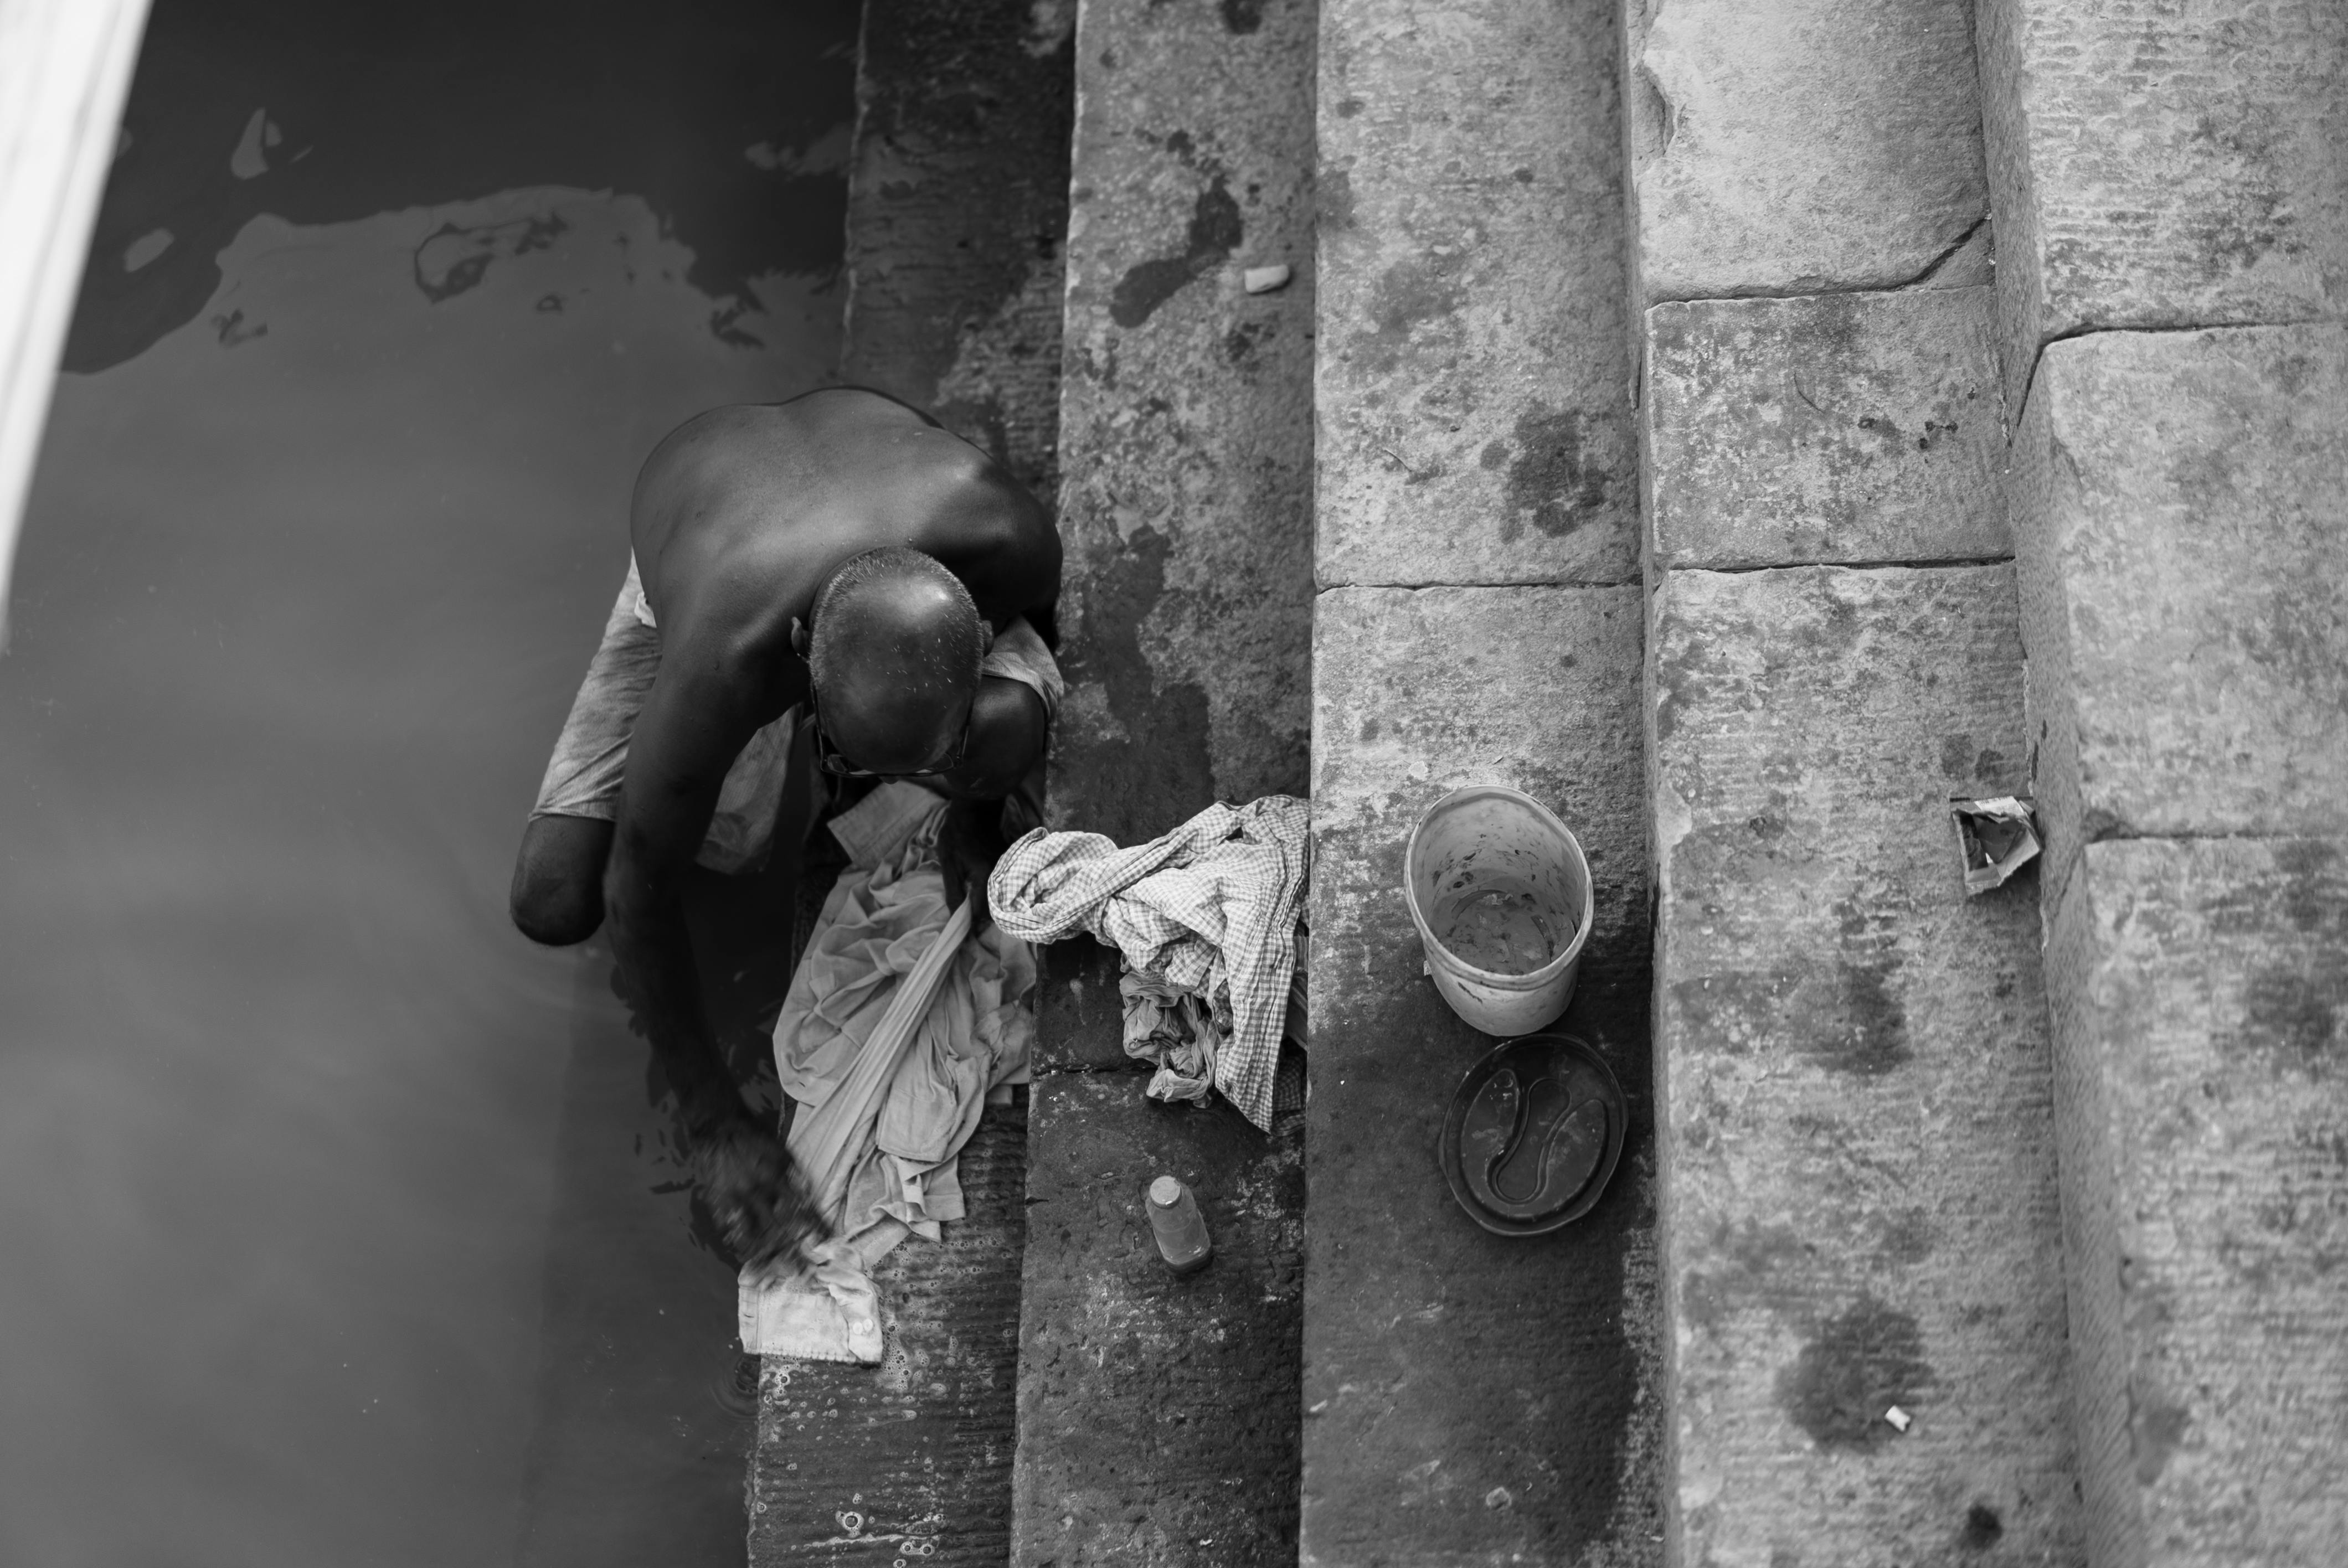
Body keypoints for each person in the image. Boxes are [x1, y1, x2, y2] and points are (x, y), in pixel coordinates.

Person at [508, 387, 1063, 1266]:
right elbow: (634, 890)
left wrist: (975, 815)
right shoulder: (721, 664)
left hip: (874, 461)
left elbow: (1039, 647)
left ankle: (920, 733)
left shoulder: (1010, 540)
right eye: (845, 751)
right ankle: (865, 729)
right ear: (801, 656)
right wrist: (713, 1121)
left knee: (1012, 731)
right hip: (711, 517)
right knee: (552, 897)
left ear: (980, 623)